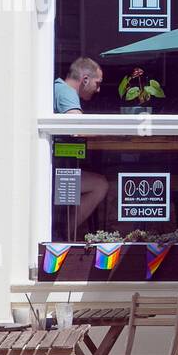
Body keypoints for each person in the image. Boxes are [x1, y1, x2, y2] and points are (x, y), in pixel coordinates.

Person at [53, 57, 108, 232]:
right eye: (97, 83)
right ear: (85, 79)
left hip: (55, 172)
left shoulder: (59, 88)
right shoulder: (67, 92)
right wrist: (115, 131)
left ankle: (62, 233)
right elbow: (77, 129)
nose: (98, 90)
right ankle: (63, 235)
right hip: (55, 177)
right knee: (100, 185)